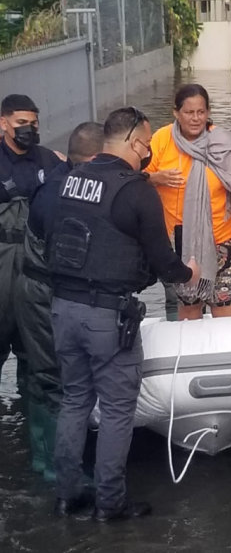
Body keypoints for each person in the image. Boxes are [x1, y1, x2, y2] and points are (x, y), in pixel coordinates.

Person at [48, 107, 200, 521]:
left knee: (75, 400)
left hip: (63, 308)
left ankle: (67, 496)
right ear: (134, 142)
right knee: (117, 409)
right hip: (107, 315)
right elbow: (164, 261)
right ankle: (110, 503)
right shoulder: (136, 191)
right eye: (147, 144)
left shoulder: (71, 179)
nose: (148, 152)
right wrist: (189, 272)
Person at [14, 122, 104, 483]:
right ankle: (59, 469)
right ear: (94, 159)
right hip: (44, 293)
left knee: (42, 376)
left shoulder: (57, 180)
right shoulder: (60, 195)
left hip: (33, 287)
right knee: (56, 379)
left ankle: (43, 458)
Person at [145, 84, 231, 321]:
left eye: (201, 112)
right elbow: (137, 177)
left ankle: (227, 344)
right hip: (181, 238)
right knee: (188, 303)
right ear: (176, 112)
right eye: (189, 112)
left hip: (222, 235)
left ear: (208, 112)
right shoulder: (162, 139)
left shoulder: (222, 141)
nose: (195, 119)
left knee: (221, 299)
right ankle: (189, 344)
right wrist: (156, 178)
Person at [0, 94, 64, 372]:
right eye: (21, 122)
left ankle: (35, 399)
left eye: (33, 123)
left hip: (38, 262)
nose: (29, 128)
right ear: (4, 123)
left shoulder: (51, 161)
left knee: (38, 347)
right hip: (3, 262)